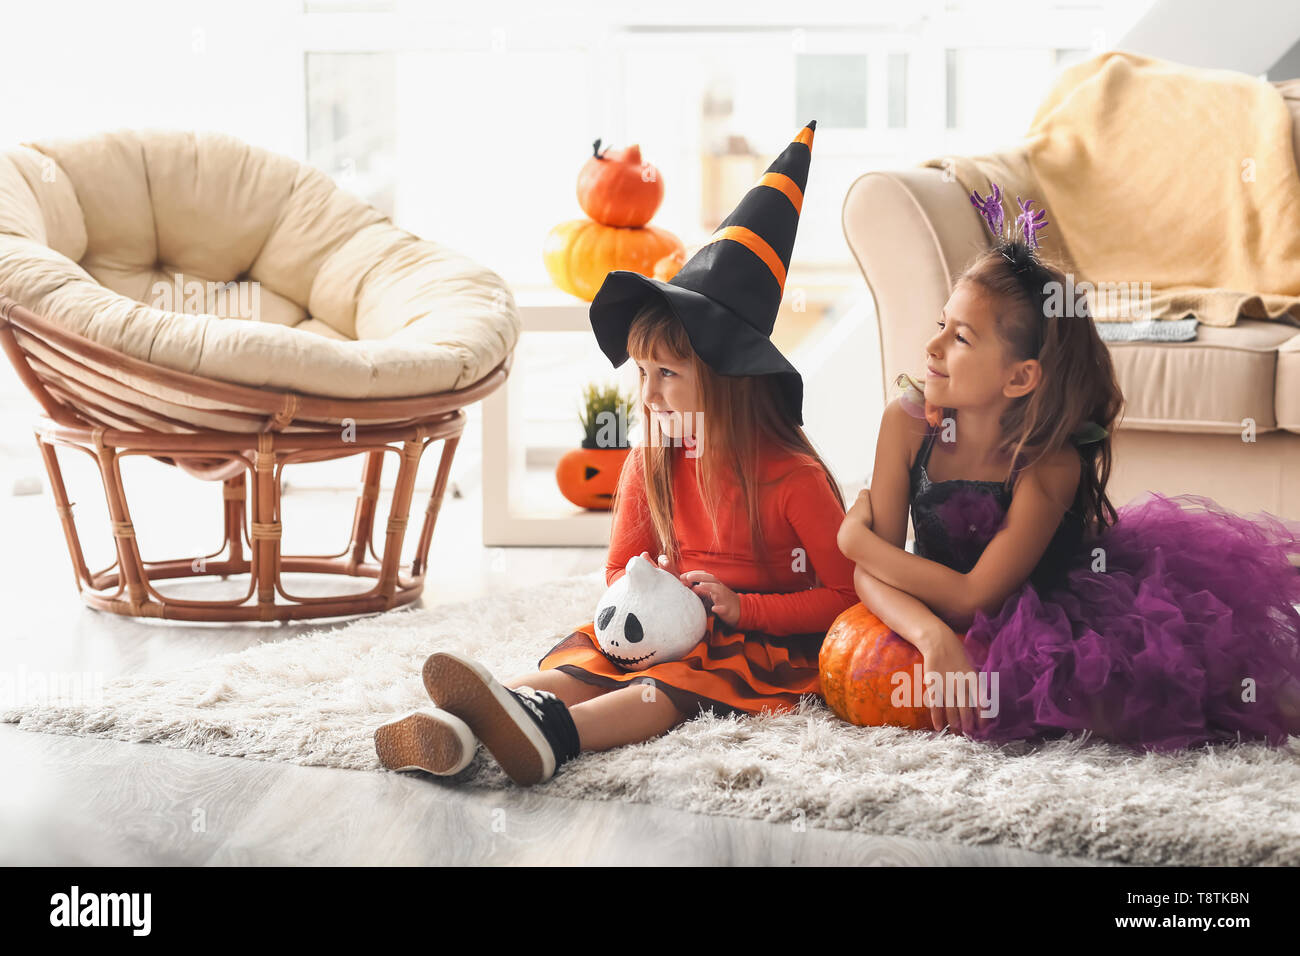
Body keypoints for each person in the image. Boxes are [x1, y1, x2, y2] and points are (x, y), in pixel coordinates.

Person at [374, 120, 859, 785]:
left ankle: (555, 736)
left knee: (673, 684)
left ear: (727, 380)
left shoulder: (792, 477)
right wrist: (642, 601)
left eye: (667, 375)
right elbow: (617, 570)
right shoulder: (650, 463)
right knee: (590, 659)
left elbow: (842, 595)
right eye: (642, 374)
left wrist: (744, 610)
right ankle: (466, 722)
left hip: (761, 643)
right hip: (668, 622)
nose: (649, 395)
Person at [837, 183, 1300, 752]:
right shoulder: (907, 422)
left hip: (1049, 613)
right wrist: (930, 633)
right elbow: (874, 576)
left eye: (960, 337)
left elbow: (974, 597)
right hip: (939, 610)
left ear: (1020, 378)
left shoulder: (1050, 463)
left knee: (1146, 695)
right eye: (940, 324)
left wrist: (853, 540)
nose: (932, 347)